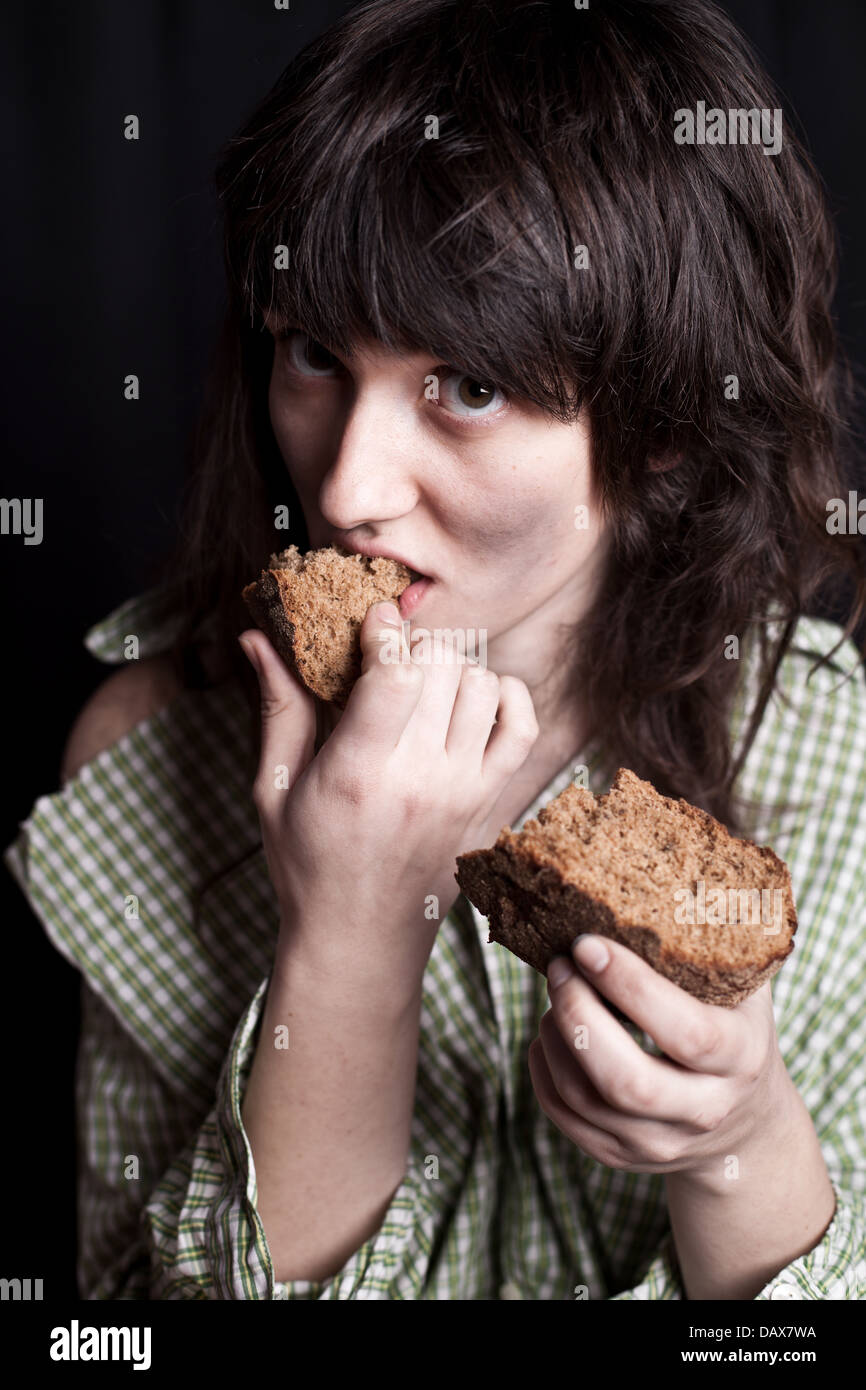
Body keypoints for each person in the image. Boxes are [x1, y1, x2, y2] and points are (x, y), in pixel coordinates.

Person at [6, 0, 866, 1300]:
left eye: (465, 386)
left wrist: (737, 1142)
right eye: (310, 353)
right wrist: (349, 937)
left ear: (664, 430)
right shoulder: (145, 759)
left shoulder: (825, 757)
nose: (347, 485)